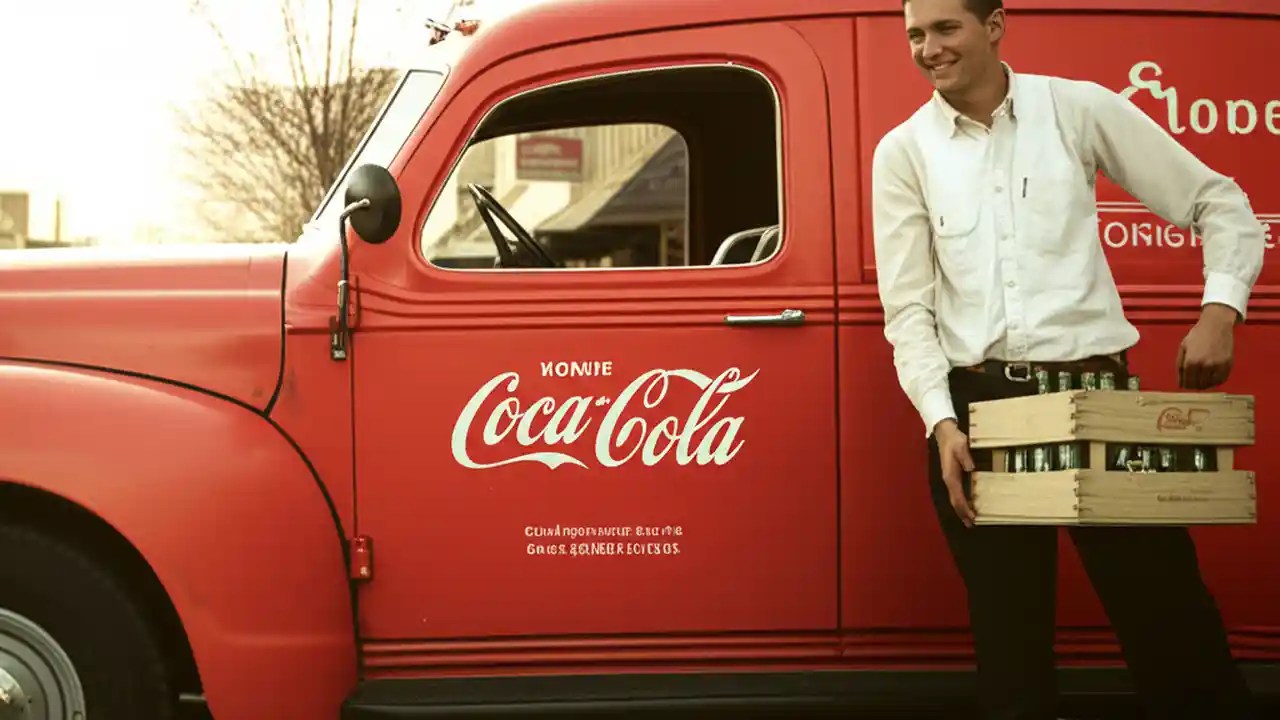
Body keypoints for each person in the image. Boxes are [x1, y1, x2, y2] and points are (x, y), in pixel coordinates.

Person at [870, 0, 1265, 718]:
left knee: (1175, 633)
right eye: (915, 35)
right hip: (980, 419)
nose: (929, 49)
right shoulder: (903, 152)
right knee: (1012, 655)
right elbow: (909, 311)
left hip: (1098, 405)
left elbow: (1221, 202)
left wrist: (1220, 312)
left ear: (994, 26)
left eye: (945, 29)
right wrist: (941, 422)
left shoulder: (1076, 109)